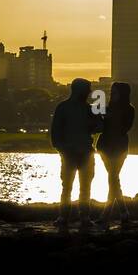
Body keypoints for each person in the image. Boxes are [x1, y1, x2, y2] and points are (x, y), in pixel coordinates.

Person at [50, 78, 104, 229]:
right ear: (79, 90)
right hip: (71, 153)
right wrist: (62, 149)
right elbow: (55, 132)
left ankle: (82, 217)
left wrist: (98, 116)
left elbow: (100, 127)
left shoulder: (87, 108)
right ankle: (65, 216)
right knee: (68, 186)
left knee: (83, 186)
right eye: (87, 89)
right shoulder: (64, 108)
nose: (90, 92)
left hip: (85, 152)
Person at [97, 82, 135, 227]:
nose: (112, 95)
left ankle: (111, 214)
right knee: (113, 180)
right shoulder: (107, 108)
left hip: (119, 147)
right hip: (104, 147)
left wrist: (110, 116)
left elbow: (125, 128)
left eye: (115, 92)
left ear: (123, 94)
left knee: (113, 179)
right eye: (111, 92)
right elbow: (99, 125)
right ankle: (120, 213)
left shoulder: (129, 110)